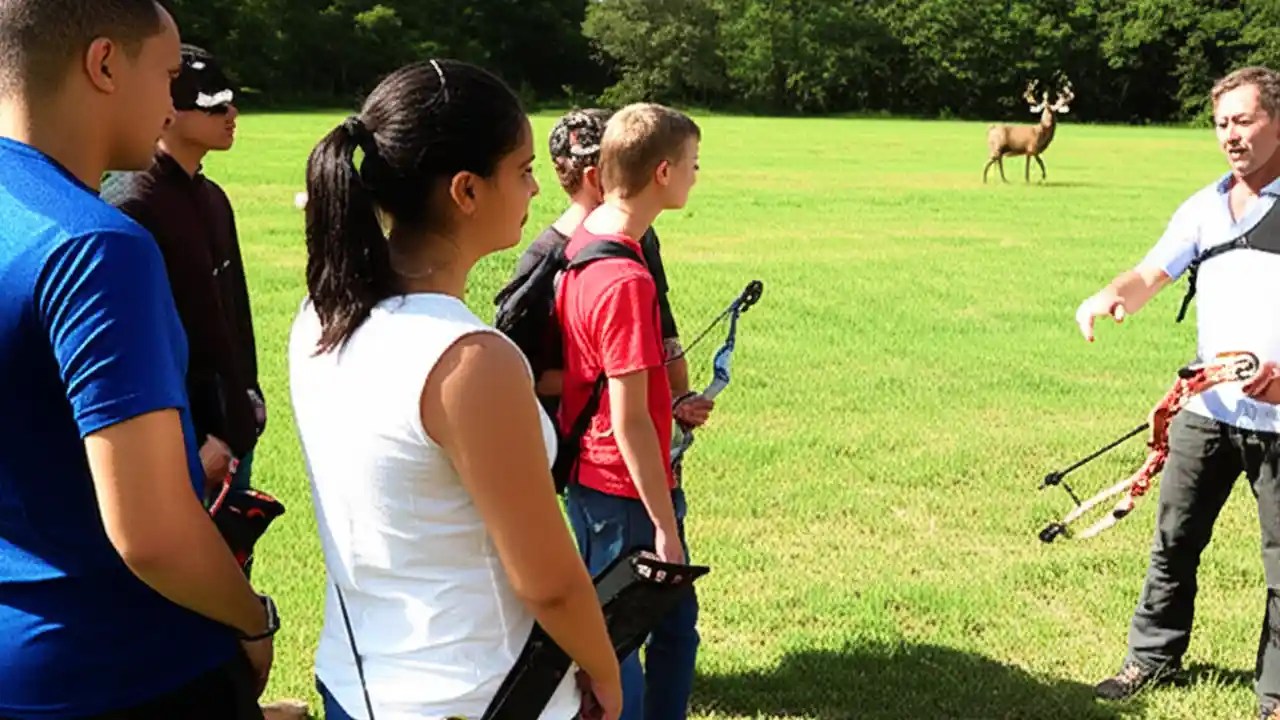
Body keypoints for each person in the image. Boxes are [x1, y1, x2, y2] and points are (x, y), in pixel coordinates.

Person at [288, 59, 622, 720]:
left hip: (357, 684)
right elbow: (548, 579)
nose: (534, 191)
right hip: (480, 695)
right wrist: (607, 671)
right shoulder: (469, 361)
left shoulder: (321, 315)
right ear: (466, 191)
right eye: (524, 170)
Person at [0, 2, 277, 719]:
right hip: (126, 666)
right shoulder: (95, 246)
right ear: (103, 65)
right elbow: (151, 533)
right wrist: (251, 617)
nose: (170, 100)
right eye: (168, 74)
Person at [1077, 65, 1280, 719]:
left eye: (1244, 120)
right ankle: (1153, 658)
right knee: (1174, 538)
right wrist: (1111, 296)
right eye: (1221, 123)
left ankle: (1275, 694)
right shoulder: (1204, 206)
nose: (1231, 135)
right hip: (1207, 407)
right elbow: (1148, 273)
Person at [555, 102, 704, 720]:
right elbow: (631, 418)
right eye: (695, 164)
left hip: (603, 483)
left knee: (673, 628)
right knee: (620, 645)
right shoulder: (625, 278)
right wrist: (665, 528)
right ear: (663, 172)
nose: (699, 175)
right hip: (624, 489)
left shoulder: (591, 239)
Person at [102, 43, 266, 504]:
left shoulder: (212, 198)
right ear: (169, 112)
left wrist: (246, 403)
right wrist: (192, 443)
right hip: (184, 448)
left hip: (231, 434)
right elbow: (130, 346)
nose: (232, 112)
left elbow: (234, 318)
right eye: (214, 105)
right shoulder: (131, 206)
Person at [508, 108, 714, 435]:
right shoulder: (544, 260)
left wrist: (678, 397)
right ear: (595, 176)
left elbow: (664, 328)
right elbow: (527, 375)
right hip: (585, 446)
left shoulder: (641, 238)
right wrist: (627, 382)